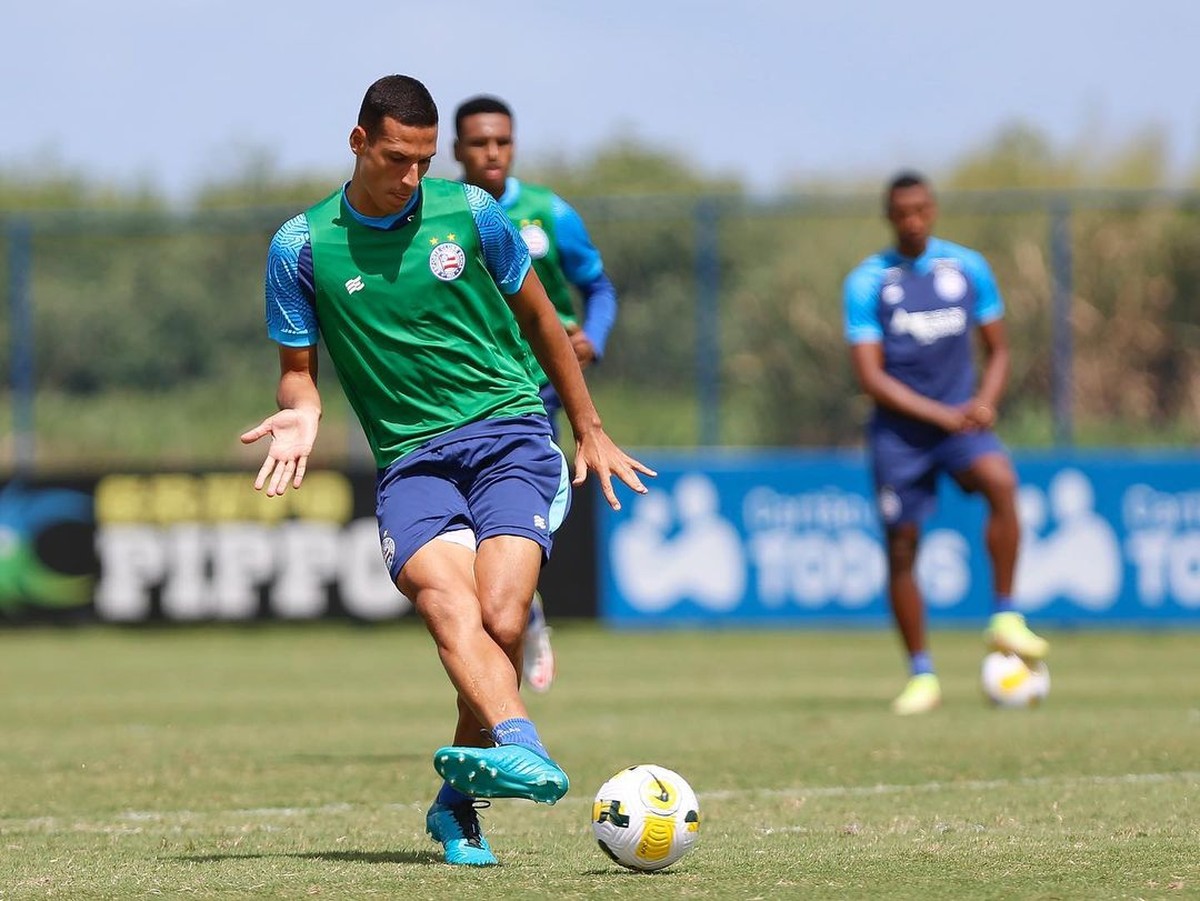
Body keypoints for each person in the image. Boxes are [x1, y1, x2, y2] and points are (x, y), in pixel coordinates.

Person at [241, 74, 654, 865]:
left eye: (426, 160)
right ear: (358, 141)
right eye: (398, 158)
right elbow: (298, 368)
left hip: (509, 434)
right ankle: (521, 748)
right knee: (444, 601)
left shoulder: (472, 214)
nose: (412, 177)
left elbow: (542, 317)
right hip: (410, 461)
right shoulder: (300, 245)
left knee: (502, 620)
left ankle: (458, 801)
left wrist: (591, 428)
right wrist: (303, 406)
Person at [842, 171, 1049, 716]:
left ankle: (1005, 614)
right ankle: (922, 675)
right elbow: (872, 378)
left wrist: (985, 401)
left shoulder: (967, 268)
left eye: (920, 210)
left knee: (1001, 482)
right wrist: (942, 414)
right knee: (903, 547)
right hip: (901, 436)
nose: (912, 220)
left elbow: (998, 349)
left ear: (932, 211)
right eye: (901, 213)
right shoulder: (868, 281)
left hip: (962, 426)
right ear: (889, 217)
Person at [453, 95, 620, 694]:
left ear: (513, 145)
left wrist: (592, 341)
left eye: (501, 141)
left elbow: (598, 288)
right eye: (478, 143)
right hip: (466, 392)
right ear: (457, 151)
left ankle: (524, 606)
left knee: (515, 507)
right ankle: (527, 607)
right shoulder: (442, 217)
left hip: (535, 388)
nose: (491, 152)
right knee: (466, 528)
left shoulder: (549, 213)